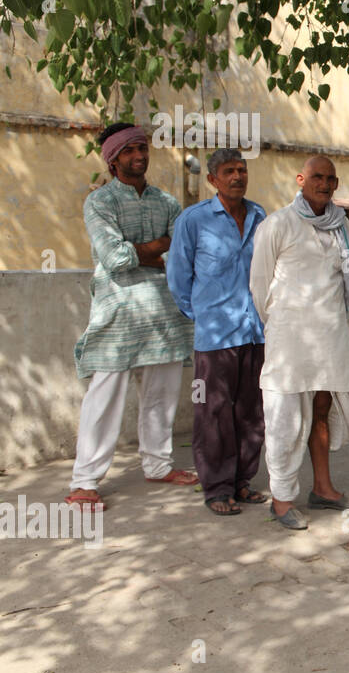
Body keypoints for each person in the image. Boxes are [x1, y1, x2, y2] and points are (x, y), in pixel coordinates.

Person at [66, 123, 198, 511]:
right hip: (118, 312)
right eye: (129, 150)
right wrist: (158, 249)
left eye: (142, 147)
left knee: (162, 393)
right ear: (113, 158)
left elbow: (181, 256)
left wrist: (146, 251)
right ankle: (84, 481)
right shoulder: (100, 202)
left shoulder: (168, 203)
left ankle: (158, 465)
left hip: (165, 312)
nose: (138, 155)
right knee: (104, 397)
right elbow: (115, 258)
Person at [250, 155, 349, 531]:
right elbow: (259, 286)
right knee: (285, 418)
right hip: (289, 339)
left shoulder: (340, 227)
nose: (325, 184)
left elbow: (343, 280)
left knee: (324, 406)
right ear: (301, 180)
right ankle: (282, 500)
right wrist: (282, 323)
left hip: (330, 334)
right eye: (317, 177)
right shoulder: (278, 224)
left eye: (331, 178)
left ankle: (323, 488)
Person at [167, 148, 268, 516]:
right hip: (214, 339)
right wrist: (204, 316)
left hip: (255, 332)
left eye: (242, 170)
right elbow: (178, 279)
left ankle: (242, 482)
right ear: (213, 179)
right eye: (229, 171)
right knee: (212, 413)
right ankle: (216, 488)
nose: (237, 177)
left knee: (252, 412)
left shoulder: (260, 217)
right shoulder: (193, 221)